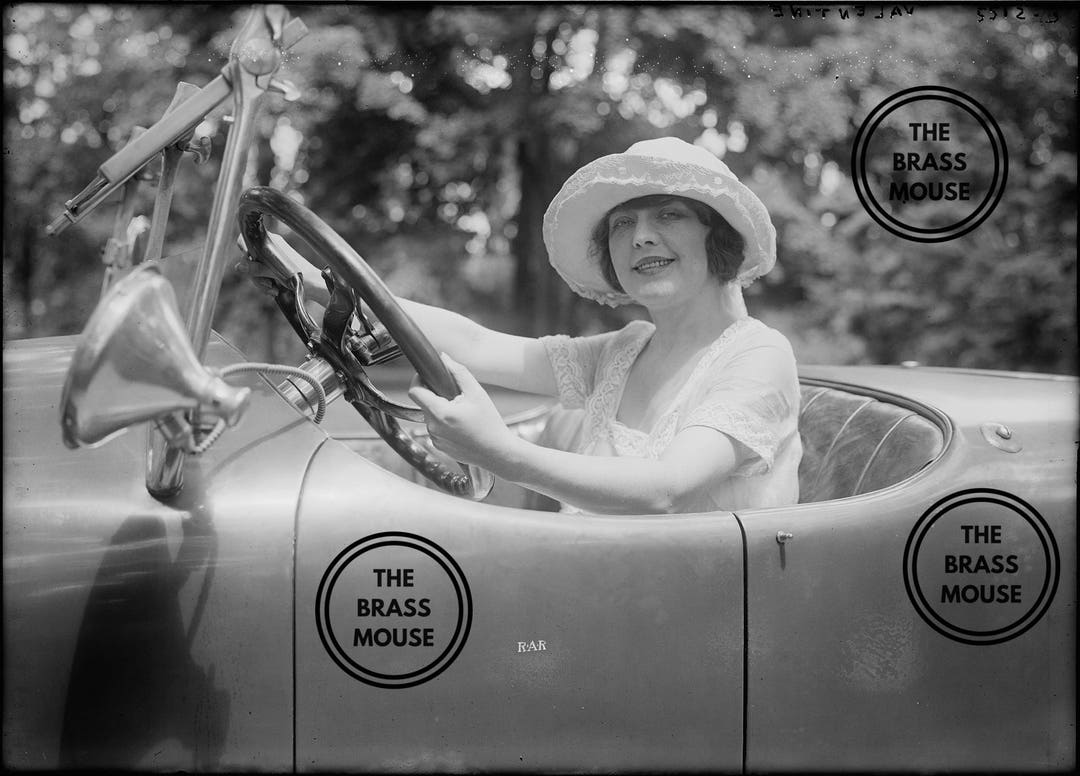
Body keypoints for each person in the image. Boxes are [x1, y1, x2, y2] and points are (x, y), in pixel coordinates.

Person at [400, 137, 802, 514]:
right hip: (584, 561)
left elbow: (668, 490)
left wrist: (499, 452)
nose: (641, 237)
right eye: (622, 223)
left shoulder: (760, 355)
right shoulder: (621, 351)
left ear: (720, 236)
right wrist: (361, 295)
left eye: (669, 214)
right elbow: (476, 345)